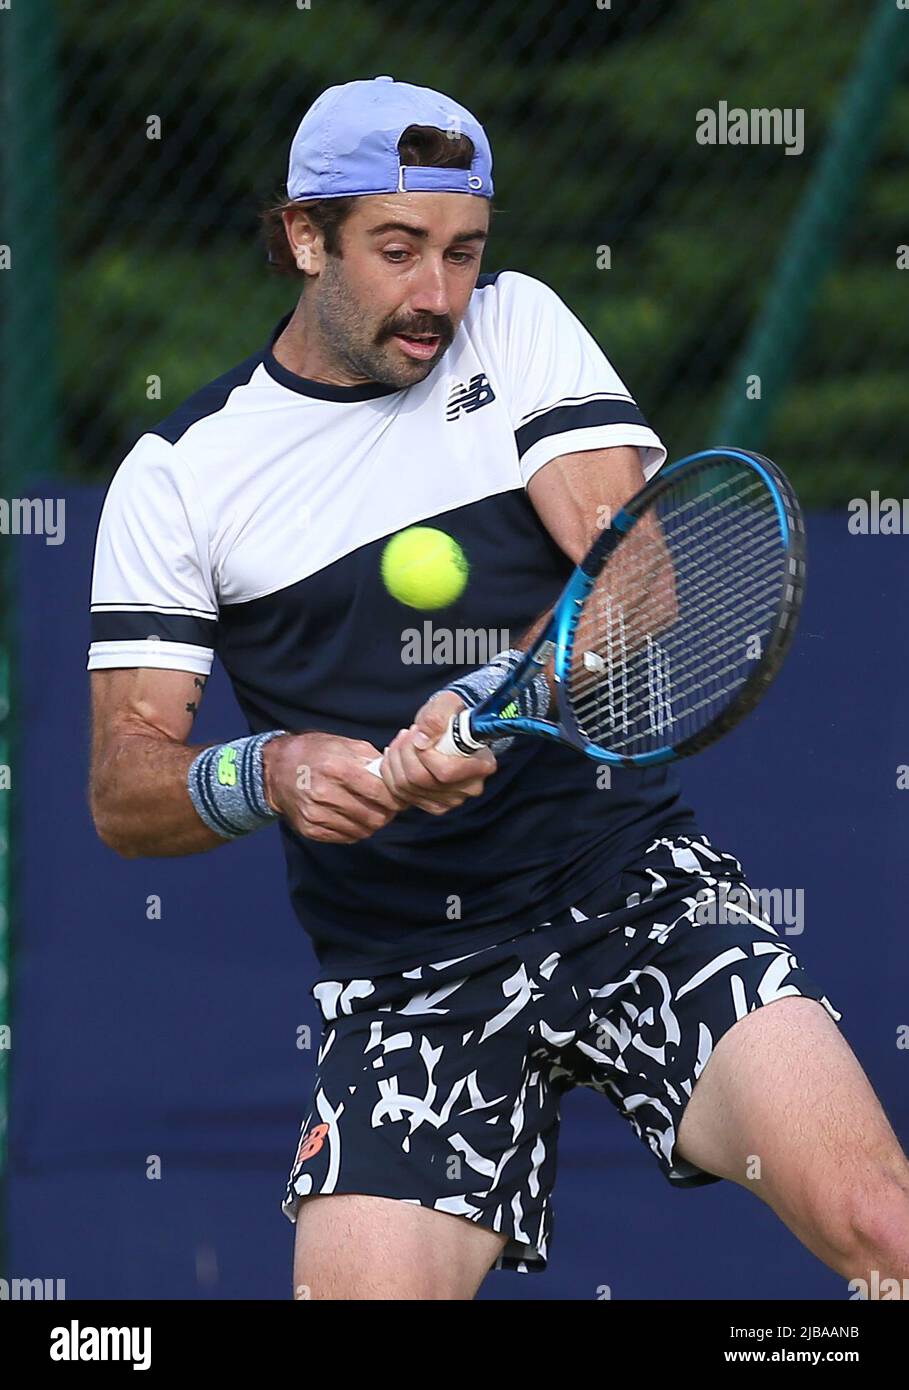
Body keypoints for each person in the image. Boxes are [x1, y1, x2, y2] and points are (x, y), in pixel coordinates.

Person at [88, 76, 909, 1300]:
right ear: (307, 237)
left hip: (629, 886)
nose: (437, 294)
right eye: (398, 250)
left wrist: (486, 688)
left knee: (881, 1227)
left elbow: (636, 575)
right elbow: (126, 788)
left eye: (462, 251)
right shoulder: (180, 478)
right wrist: (273, 771)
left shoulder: (516, 327)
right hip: (404, 970)